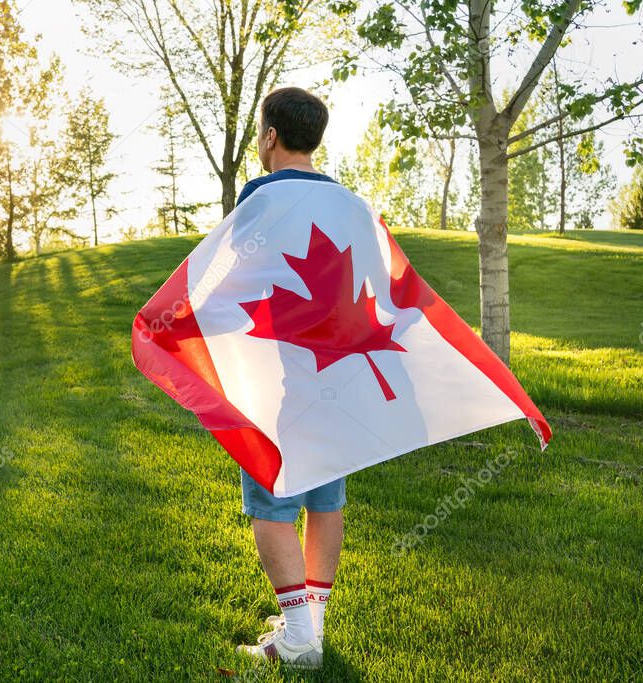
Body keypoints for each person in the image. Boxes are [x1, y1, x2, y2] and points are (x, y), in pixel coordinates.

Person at [233, 86, 343, 671]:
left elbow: (234, 277)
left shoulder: (261, 195)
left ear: (270, 136)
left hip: (283, 375)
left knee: (271, 502)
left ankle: (300, 639)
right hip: (339, 372)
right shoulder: (346, 200)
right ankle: (310, 627)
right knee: (325, 497)